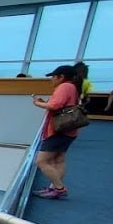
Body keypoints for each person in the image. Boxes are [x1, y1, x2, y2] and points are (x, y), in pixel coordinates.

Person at [33, 64, 81, 199]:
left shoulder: (64, 87)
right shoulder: (73, 87)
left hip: (58, 130)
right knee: (58, 160)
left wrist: (38, 103)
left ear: (61, 77)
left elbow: (55, 105)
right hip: (69, 130)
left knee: (41, 161)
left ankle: (59, 188)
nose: (51, 80)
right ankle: (53, 188)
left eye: (53, 77)